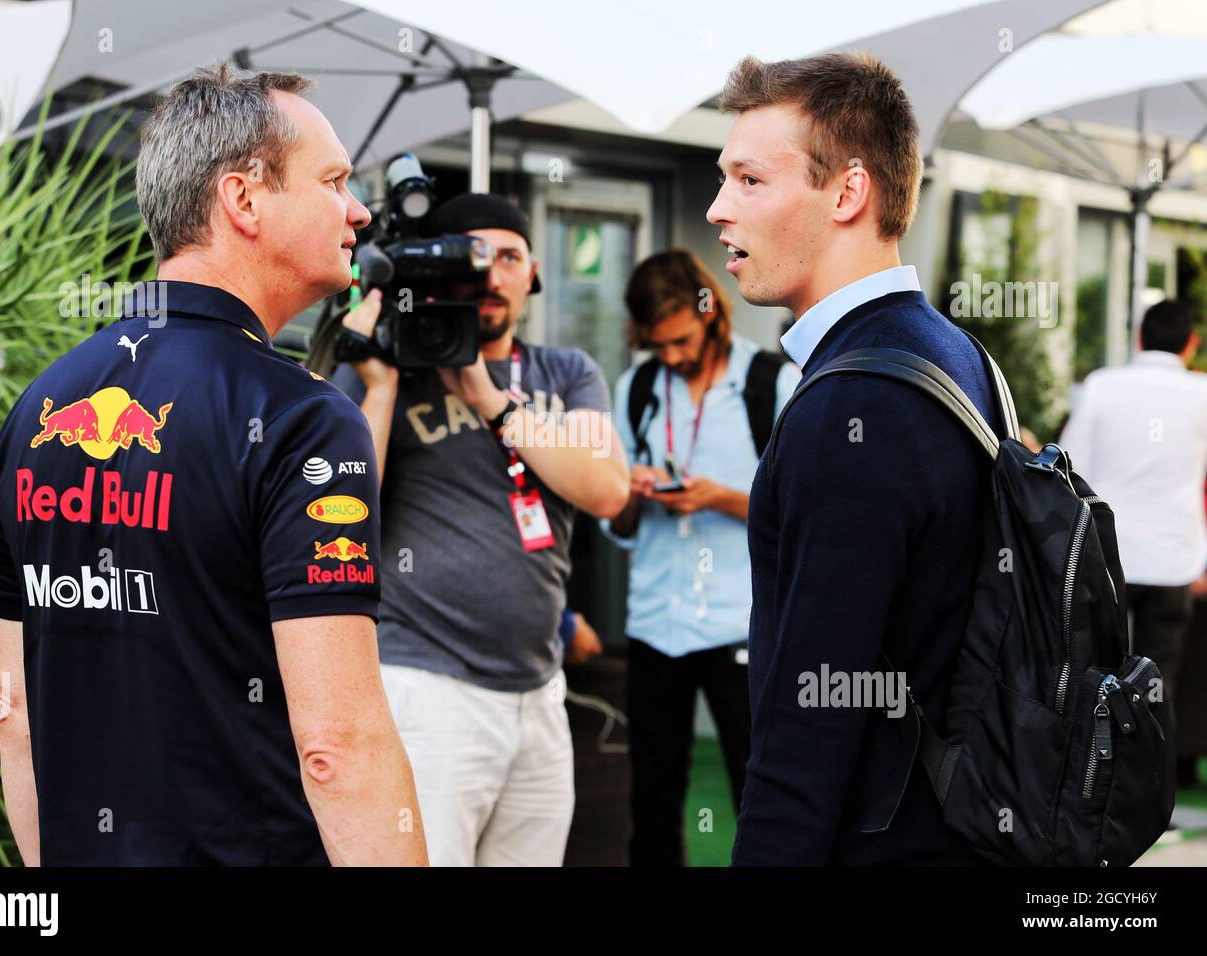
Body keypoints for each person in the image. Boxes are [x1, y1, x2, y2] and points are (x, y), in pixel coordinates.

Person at [0, 65, 426, 866]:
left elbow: (11, 711)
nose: (358, 209)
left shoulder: (36, 411)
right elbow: (338, 748)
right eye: (332, 181)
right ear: (243, 200)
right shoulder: (304, 418)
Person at [708, 52, 995, 865]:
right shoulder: (957, 354)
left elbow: (808, 720)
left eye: (750, 180)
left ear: (847, 192)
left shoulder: (851, 402)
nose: (717, 208)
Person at [333, 192, 630, 866]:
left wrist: (490, 399)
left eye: (510, 256)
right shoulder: (388, 370)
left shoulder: (566, 372)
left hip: (539, 691)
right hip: (427, 687)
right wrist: (378, 388)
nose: (491, 275)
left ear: (533, 274)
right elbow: (345, 513)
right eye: (473, 259)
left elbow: (607, 490)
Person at [603, 249, 795, 866]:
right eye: (659, 346)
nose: (674, 357)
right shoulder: (635, 388)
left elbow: (801, 514)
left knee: (758, 790)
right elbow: (619, 523)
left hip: (742, 624)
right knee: (652, 801)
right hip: (657, 620)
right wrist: (627, 493)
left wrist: (723, 499)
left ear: (712, 315)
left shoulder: (772, 384)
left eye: (682, 340)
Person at [1061, 298, 1207, 719]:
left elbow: (1070, 468)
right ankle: (1156, 776)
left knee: (1099, 677)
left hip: (1107, 559)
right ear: (1191, 343)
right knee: (1160, 685)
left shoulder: (1102, 386)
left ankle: (1098, 776)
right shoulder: (1200, 395)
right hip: (1174, 562)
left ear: (1140, 338)